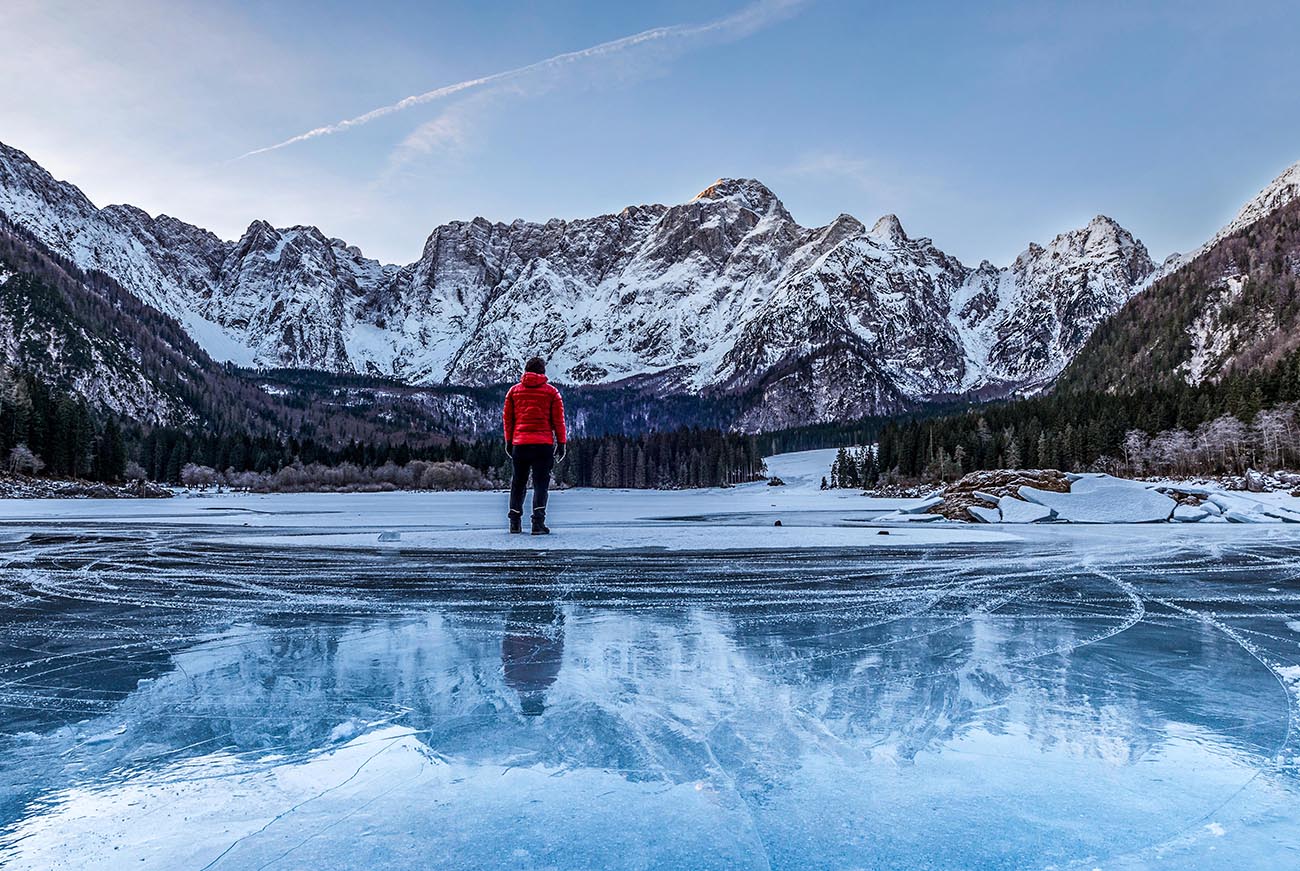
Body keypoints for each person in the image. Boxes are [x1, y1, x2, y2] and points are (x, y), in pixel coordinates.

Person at [503, 356, 566, 534]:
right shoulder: (552, 392)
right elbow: (559, 421)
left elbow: (508, 420)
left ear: (526, 371)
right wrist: (561, 443)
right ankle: (538, 523)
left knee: (518, 483)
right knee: (541, 485)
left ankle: (514, 522)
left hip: (520, 444)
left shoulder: (513, 392)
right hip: (543, 445)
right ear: (543, 371)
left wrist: (509, 441)